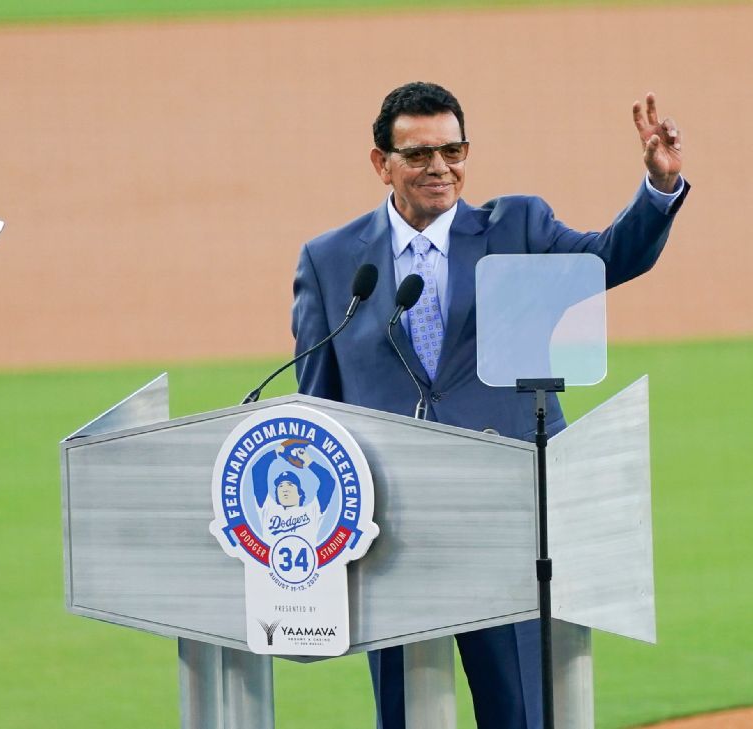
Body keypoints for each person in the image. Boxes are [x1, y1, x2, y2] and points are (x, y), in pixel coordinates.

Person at [290, 82, 687, 729]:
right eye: (418, 154)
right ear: (380, 162)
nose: (439, 167)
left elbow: (607, 260)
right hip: (389, 534)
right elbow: (317, 403)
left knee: (522, 712)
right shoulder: (331, 261)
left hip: (506, 523)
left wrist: (658, 189)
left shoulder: (518, 227)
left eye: (453, 149)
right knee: (406, 714)